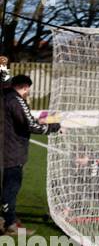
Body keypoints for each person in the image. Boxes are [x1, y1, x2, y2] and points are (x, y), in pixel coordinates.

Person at [3, 74, 61, 237]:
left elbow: (22, 120)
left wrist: (40, 121)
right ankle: (10, 224)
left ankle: (8, 216)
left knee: (8, 186)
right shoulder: (16, 100)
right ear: (26, 87)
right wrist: (54, 127)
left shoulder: (6, 97)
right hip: (11, 152)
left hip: (7, 149)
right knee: (11, 187)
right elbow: (30, 125)